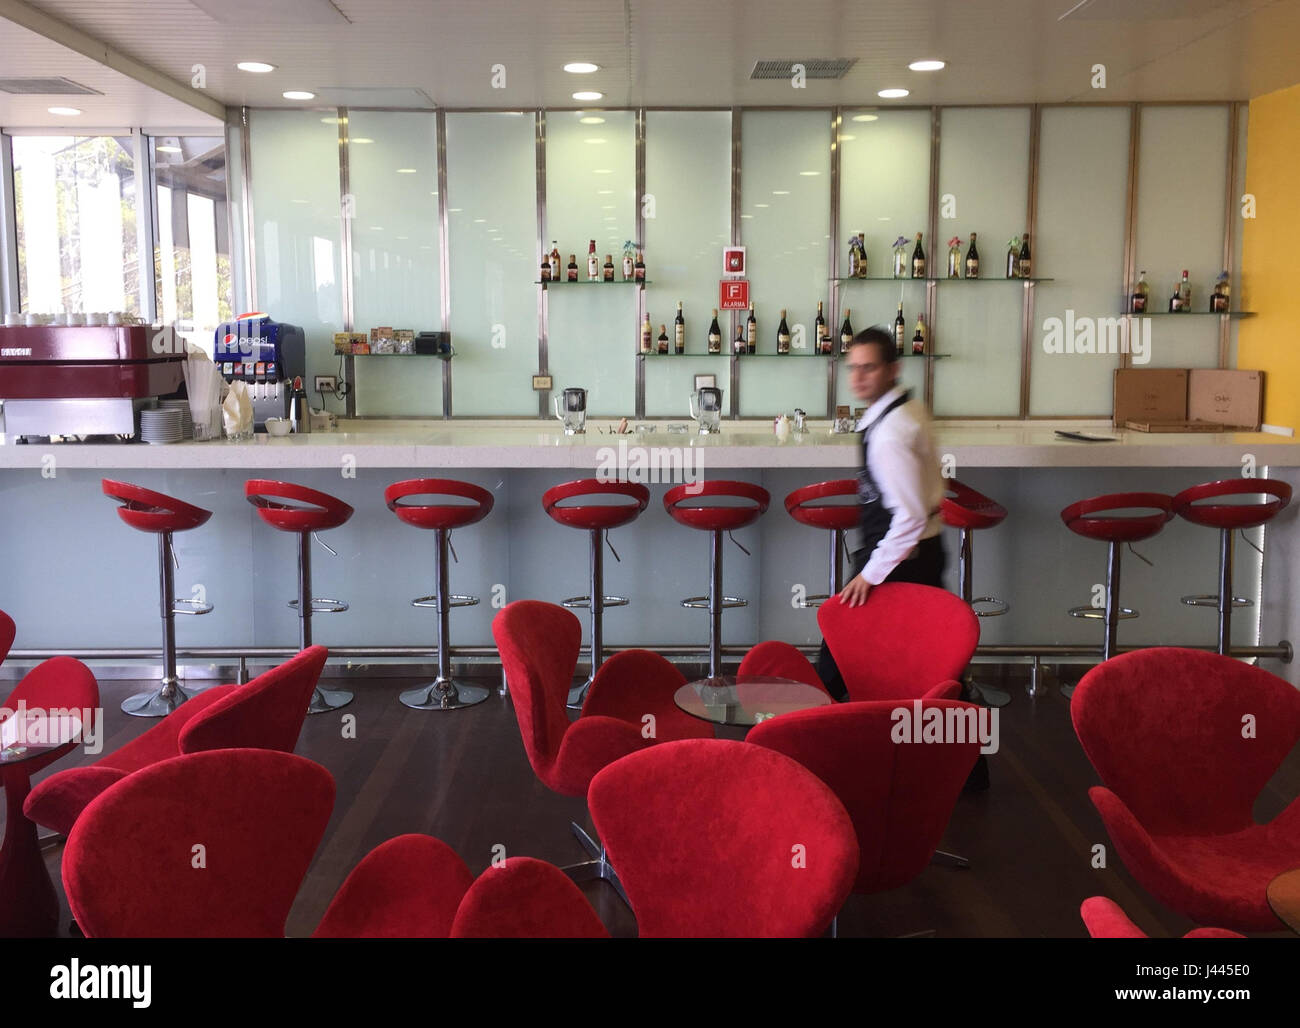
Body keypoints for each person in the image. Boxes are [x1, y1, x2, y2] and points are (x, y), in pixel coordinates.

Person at [816, 327, 946, 697]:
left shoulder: (892, 431)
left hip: (901, 559)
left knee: (838, 657)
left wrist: (869, 575)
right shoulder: (904, 409)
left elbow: (910, 517)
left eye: (868, 368)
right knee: (927, 664)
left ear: (893, 369)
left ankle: (819, 739)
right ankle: (956, 746)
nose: (857, 377)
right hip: (917, 552)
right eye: (853, 367)